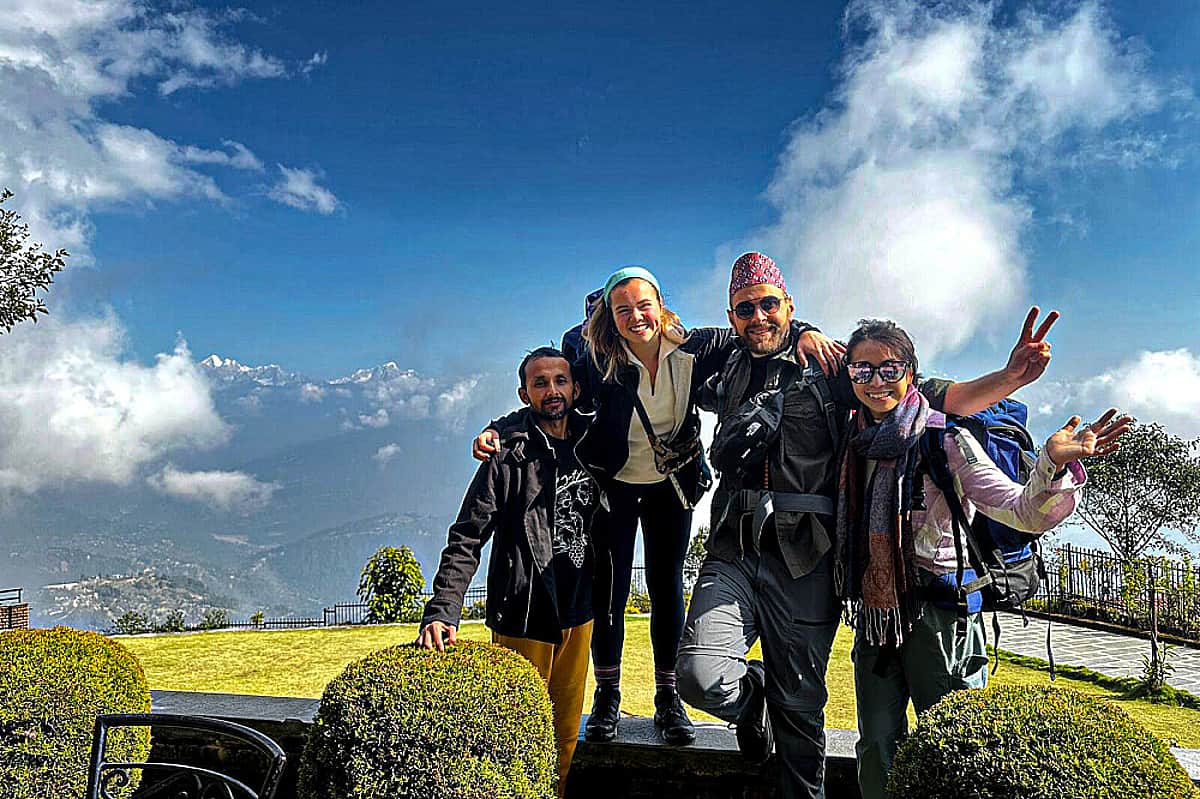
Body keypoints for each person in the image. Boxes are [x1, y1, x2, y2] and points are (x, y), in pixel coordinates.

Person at [675, 252, 1061, 799]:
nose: (757, 316)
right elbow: (643, 335)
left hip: (808, 554)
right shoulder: (728, 367)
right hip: (734, 546)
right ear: (731, 315)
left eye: (769, 305)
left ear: (789, 305)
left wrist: (1010, 377)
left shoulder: (831, 368)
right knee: (698, 672)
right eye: (745, 308)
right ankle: (751, 695)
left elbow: (926, 394)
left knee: (804, 707)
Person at [474, 265, 839, 745]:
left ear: (660, 304)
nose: (635, 316)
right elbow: (550, 395)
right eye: (622, 309)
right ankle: (608, 697)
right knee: (610, 589)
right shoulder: (594, 359)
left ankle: (668, 699)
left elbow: (759, 330)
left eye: (643, 305)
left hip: (673, 485)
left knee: (667, 586)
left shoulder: (696, 347)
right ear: (609, 316)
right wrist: (501, 428)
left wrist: (808, 331)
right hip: (614, 487)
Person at [833, 318, 1130, 799]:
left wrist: (1052, 465)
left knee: (952, 752)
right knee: (876, 751)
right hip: (878, 617)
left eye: (889, 367)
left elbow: (1021, 511)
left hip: (942, 619)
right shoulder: (853, 442)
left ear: (912, 371)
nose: (876, 381)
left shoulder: (947, 438)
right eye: (862, 371)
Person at [417, 347, 599, 797]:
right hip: (524, 615)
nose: (552, 390)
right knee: (518, 740)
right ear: (524, 394)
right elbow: (467, 536)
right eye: (540, 383)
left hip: (580, 613)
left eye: (560, 380)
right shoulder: (506, 455)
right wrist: (442, 610)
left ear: (575, 388)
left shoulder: (594, 442)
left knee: (565, 737)